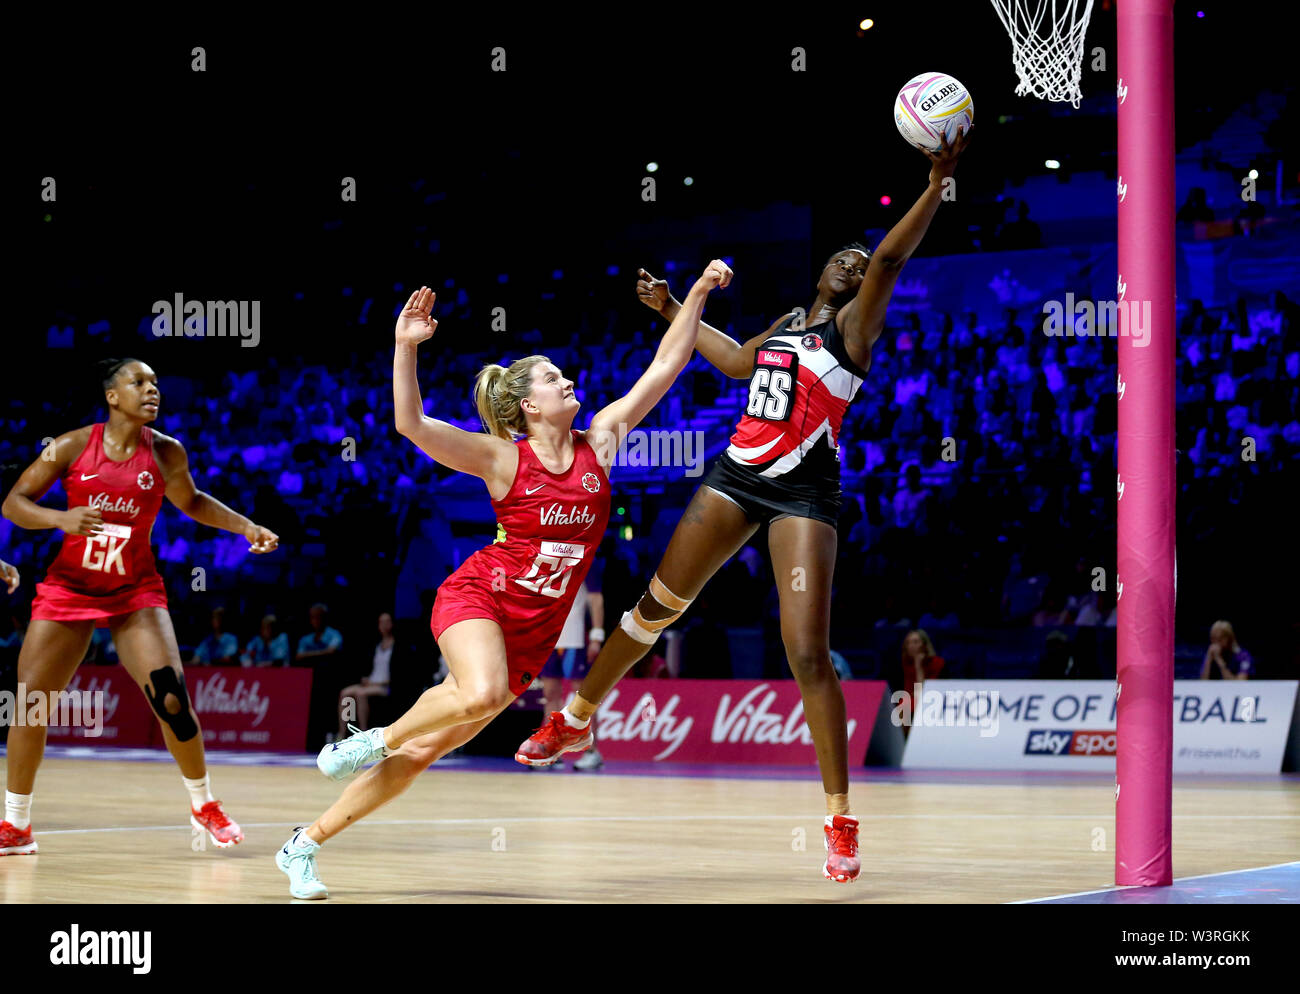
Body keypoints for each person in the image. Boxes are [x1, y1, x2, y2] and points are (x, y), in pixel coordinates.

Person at [515, 127, 972, 884]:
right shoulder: (791, 323)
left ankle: (840, 821)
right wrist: (671, 310)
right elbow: (731, 361)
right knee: (653, 609)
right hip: (735, 473)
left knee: (806, 652)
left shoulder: (857, 330)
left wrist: (935, 182)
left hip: (804, 493)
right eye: (842, 257)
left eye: (858, 265)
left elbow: (891, 258)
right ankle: (573, 720)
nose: (851, 264)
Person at [276, 265, 726, 899]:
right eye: (552, 378)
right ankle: (370, 738)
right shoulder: (502, 458)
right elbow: (412, 425)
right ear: (527, 406)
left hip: (533, 632)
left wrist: (699, 291)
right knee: (482, 693)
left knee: (424, 754)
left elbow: (667, 363)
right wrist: (405, 346)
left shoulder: (600, 441)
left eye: (564, 375)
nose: (568, 381)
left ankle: (303, 846)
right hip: (478, 597)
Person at [0, 358, 278, 856]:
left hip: (135, 593)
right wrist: (60, 519)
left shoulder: (166, 453)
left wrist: (246, 527)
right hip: (68, 589)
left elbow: (192, 502)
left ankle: (204, 805)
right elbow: (14, 503)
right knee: (31, 707)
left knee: (171, 698)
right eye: (139, 383)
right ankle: (16, 826)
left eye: (154, 383)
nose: (152, 390)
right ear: (112, 397)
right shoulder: (69, 446)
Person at [536, 568, 605, 771]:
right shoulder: (547, 564)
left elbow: (596, 600)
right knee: (550, 695)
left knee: (583, 699)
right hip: (550, 640)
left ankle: (593, 752)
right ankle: (551, 750)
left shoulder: (585, 562)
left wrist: (596, 636)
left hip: (575, 639)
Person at [336, 612, 397, 738]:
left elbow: (398, 674)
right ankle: (343, 733)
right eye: (381, 622)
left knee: (360, 694)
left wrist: (375, 683)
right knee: (345, 694)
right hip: (371, 683)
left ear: (392, 624)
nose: (384, 625)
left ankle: (363, 734)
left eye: (387, 622)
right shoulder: (376, 645)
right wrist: (367, 679)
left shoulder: (398, 646)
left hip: (385, 686)